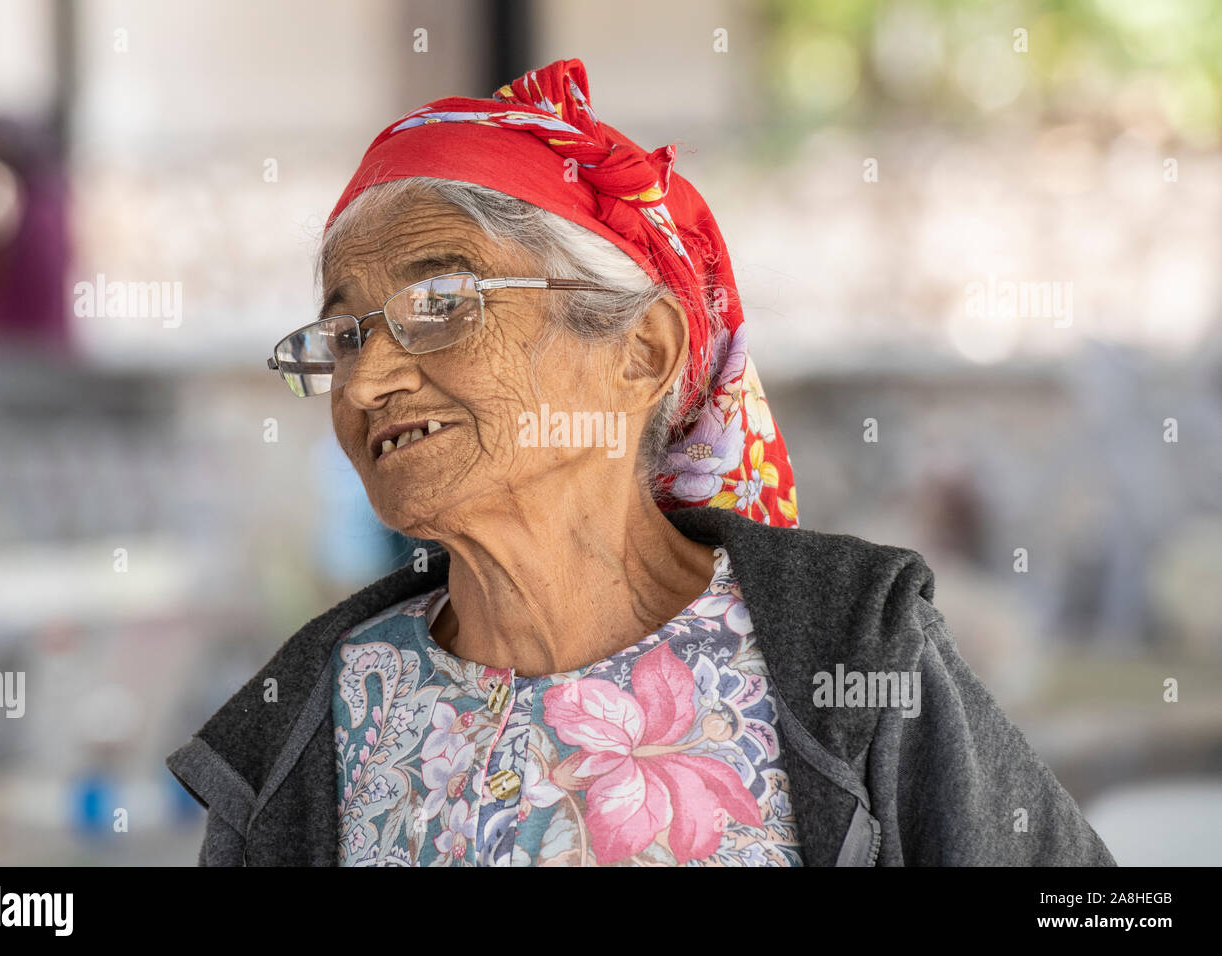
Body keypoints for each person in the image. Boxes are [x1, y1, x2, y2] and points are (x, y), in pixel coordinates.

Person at [165, 58, 1115, 867]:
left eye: (443, 299)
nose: (367, 377)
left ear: (641, 352)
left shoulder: (846, 655)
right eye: (342, 333)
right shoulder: (308, 721)